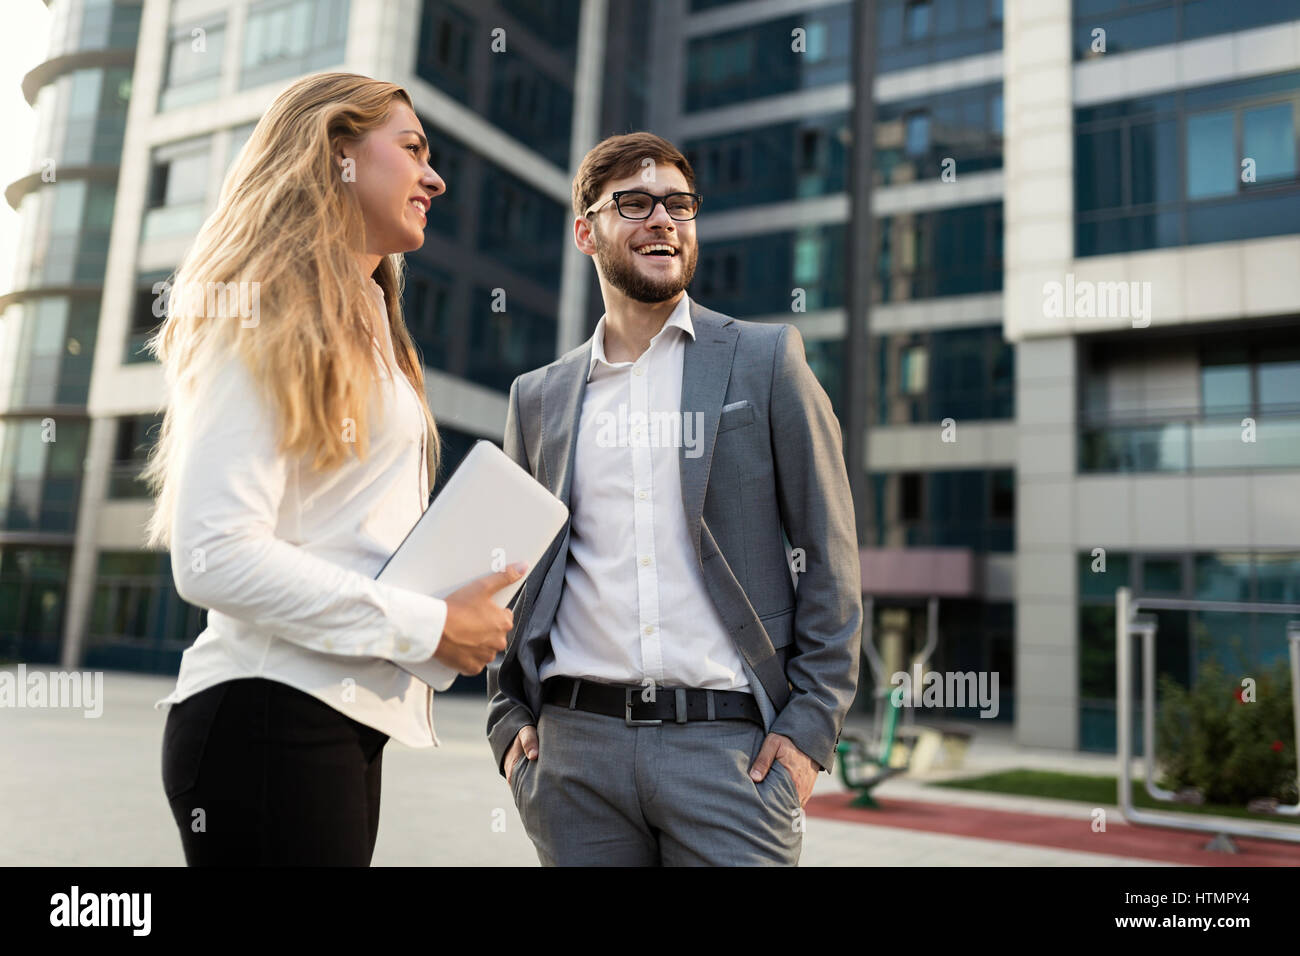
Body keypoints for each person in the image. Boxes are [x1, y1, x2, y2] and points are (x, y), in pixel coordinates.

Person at [148, 72, 522, 866]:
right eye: (413, 148)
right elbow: (211, 556)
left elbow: (340, 537)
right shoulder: (262, 305)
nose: (436, 176)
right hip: (266, 716)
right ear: (337, 152)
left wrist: (450, 614)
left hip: (338, 724)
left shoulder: (376, 319)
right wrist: (432, 623)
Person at [488, 132, 863, 866]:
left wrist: (810, 732)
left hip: (731, 756)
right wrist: (507, 723)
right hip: (574, 761)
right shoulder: (537, 399)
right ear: (585, 231)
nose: (663, 219)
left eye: (679, 204)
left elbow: (830, 553)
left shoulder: (766, 360)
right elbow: (510, 576)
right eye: (634, 202)